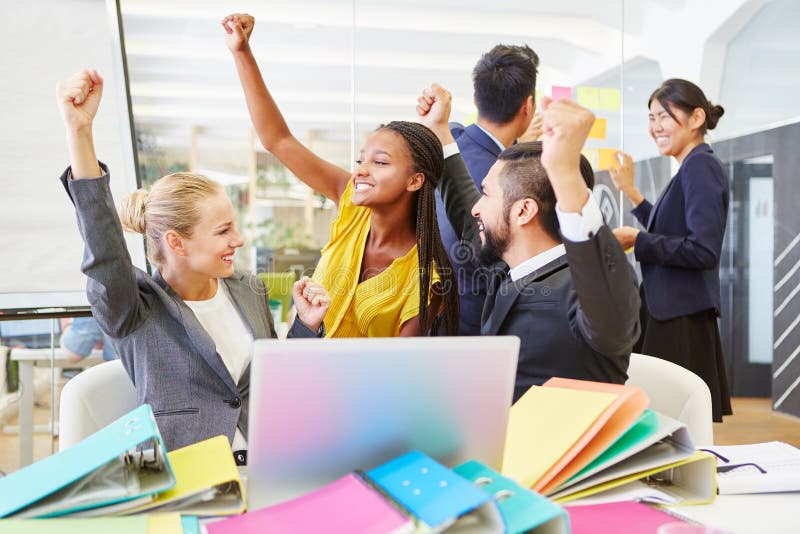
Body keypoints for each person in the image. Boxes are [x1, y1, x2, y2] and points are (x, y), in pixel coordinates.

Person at [56, 69, 330, 454]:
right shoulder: (133, 306)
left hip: (266, 460)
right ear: (176, 242)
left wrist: (306, 324)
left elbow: (276, 384)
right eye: (223, 231)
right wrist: (80, 131)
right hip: (188, 473)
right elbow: (103, 248)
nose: (239, 239)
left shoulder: (248, 289)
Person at [223, 13, 459, 337]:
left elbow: (402, 364)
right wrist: (241, 52)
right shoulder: (352, 207)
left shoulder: (424, 276)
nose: (361, 169)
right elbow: (277, 140)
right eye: (361, 160)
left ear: (414, 180)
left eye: (379, 162)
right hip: (300, 361)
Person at [418, 85, 641, 401]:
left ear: (523, 211)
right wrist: (439, 130)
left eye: (486, 194)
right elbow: (466, 210)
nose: (476, 207)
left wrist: (564, 172)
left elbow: (609, 313)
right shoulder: (507, 264)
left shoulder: (585, 290)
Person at [609, 78, 732, 422]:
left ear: (696, 118)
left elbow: (702, 250)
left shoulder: (700, 166)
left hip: (680, 315)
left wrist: (637, 240)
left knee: (670, 421)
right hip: (672, 310)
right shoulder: (691, 166)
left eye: (664, 116)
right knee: (666, 420)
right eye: (651, 118)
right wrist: (632, 194)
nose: (656, 127)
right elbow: (671, 230)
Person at [436, 44, 541, 335]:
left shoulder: (450, 144)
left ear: (476, 100)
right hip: (478, 327)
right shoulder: (508, 177)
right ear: (528, 106)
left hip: (437, 319)